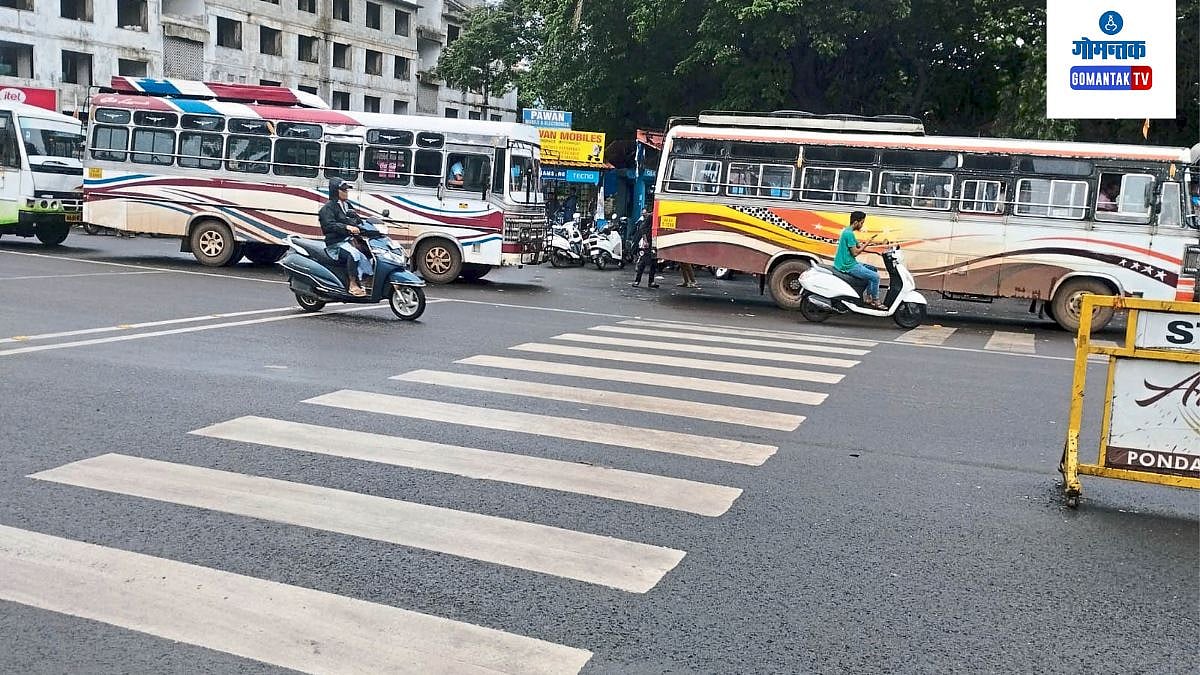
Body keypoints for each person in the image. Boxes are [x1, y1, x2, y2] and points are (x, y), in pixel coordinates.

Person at [319, 178, 372, 296]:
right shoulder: (327, 208)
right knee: (354, 254)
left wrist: (369, 226)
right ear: (335, 191)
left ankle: (368, 280)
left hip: (349, 240)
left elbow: (356, 219)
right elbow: (329, 225)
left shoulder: (347, 205)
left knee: (369, 251)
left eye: (346, 189)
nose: (346, 192)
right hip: (336, 244)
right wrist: (347, 227)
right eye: (343, 189)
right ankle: (352, 285)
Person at [834, 210, 883, 308]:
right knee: (875, 277)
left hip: (848, 262)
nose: (862, 225)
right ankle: (876, 301)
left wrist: (877, 252)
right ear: (856, 222)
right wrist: (868, 242)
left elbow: (859, 246)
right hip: (848, 265)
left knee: (872, 269)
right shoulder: (849, 234)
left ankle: (868, 297)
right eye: (862, 223)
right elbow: (855, 253)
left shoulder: (847, 231)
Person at [630, 211, 659, 288]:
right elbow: (643, 229)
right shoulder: (651, 217)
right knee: (643, 262)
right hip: (649, 242)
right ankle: (637, 280)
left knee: (654, 263)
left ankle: (651, 281)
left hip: (656, 242)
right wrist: (645, 241)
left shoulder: (660, 217)